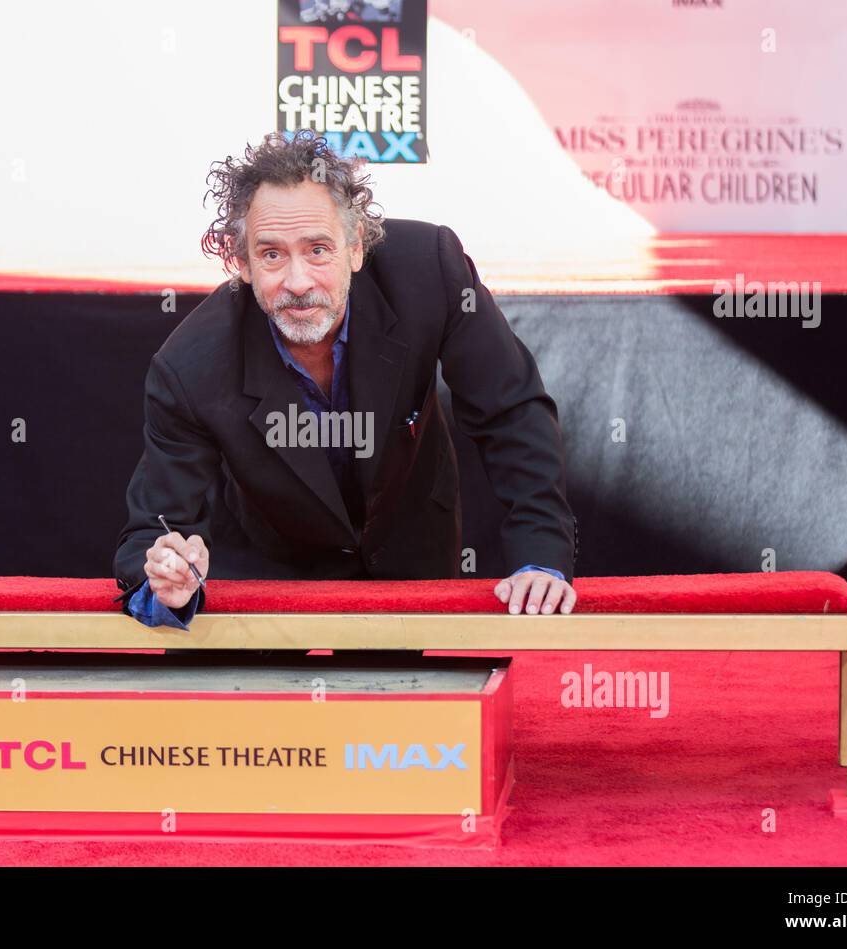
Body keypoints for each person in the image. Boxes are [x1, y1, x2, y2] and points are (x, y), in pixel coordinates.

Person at [114, 130, 577, 630]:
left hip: (416, 559)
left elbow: (510, 412)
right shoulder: (189, 365)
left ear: (356, 247)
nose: (297, 282)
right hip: (273, 584)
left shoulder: (429, 268)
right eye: (271, 255)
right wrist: (168, 583)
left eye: (318, 250)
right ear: (242, 263)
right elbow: (152, 533)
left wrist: (540, 555)